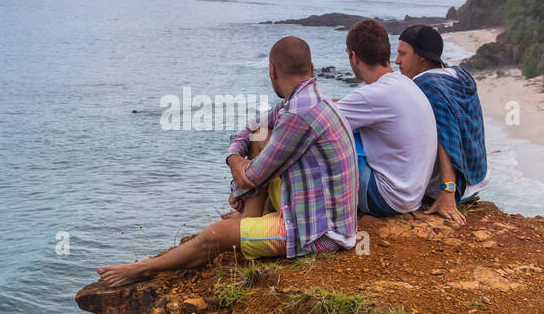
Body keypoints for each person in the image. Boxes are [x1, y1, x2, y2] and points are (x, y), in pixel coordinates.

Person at [97, 36, 358, 287]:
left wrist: (238, 178)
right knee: (261, 134)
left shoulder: (299, 114)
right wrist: (235, 158)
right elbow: (255, 126)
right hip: (313, 208)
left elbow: (253, 175)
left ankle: (143, 268)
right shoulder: (307, 96)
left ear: (272, 70)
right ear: (311, 69)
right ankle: (249, 218)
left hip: (318, 233)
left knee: (216, 235)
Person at [333, 18, 440, 218]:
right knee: (348, 127)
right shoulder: (404, 84)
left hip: (384, 199)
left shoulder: (373, 95)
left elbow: (316, 120)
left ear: (354, 56)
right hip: (411, 196)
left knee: (325, 134)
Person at [395, 24, 488, 222]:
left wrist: (448, 190)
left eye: (403, 54)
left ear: (422, 55)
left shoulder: (427, 87)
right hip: (476, 178)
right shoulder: (459, 75)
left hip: (451, 188)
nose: (397, 61)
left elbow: (445, 134)